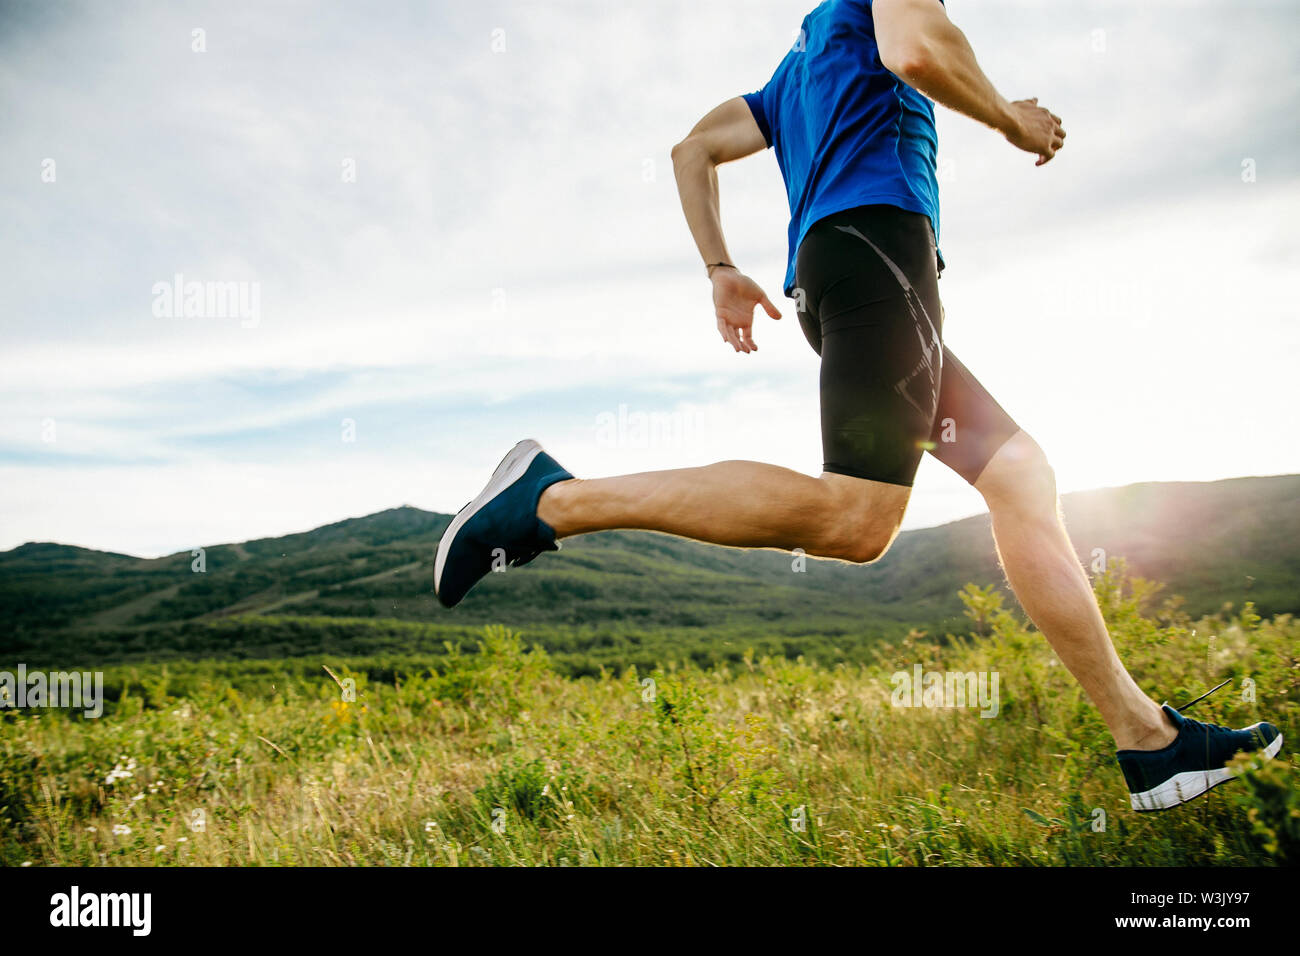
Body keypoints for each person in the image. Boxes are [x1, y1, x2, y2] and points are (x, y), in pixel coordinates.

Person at [434, 0, 1280, 811]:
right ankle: (548, 502)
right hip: (881, 257)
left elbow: (690, 150)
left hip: (845, 276)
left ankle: (1148, 742)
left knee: (1021, 475)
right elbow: (916, 48)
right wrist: (1010, 119)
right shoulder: (863, 16)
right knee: (857, 522)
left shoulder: (794, 68)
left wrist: (719, 268)